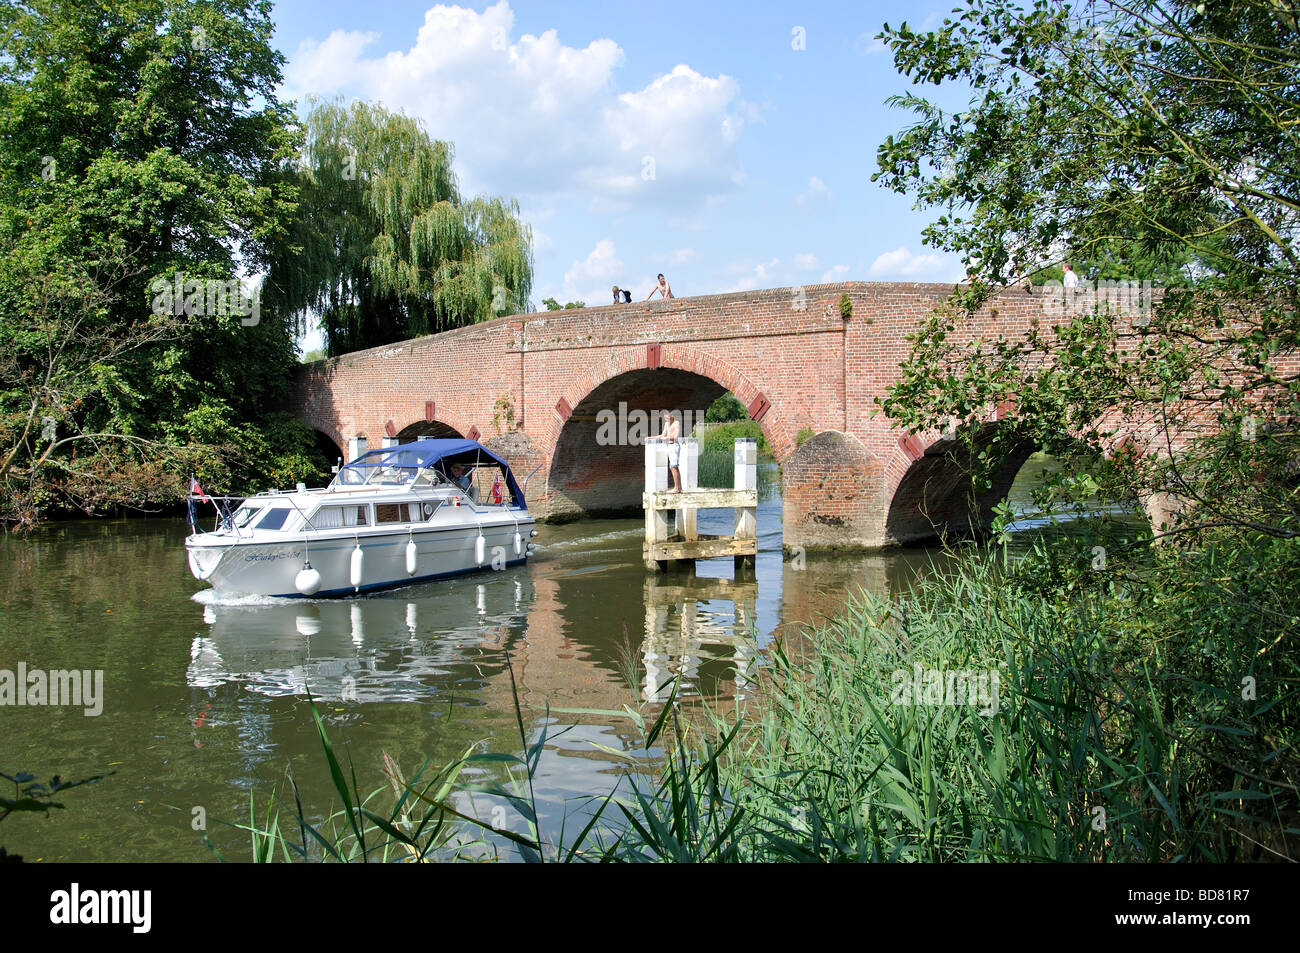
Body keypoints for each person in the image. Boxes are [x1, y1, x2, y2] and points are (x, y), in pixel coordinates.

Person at [653, 410, 682, 493]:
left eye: (667, 417)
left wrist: (667, 438)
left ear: (672, 417)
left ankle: (677, 488)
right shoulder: (666, 424)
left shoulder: (676, 423)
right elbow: (662, 435)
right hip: (669, 446)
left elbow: (676, 436)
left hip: (674, 445)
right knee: (673, 466)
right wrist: (650, 437)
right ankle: (678, 487)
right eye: (665, 417)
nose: (666, 419)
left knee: (673, 466)